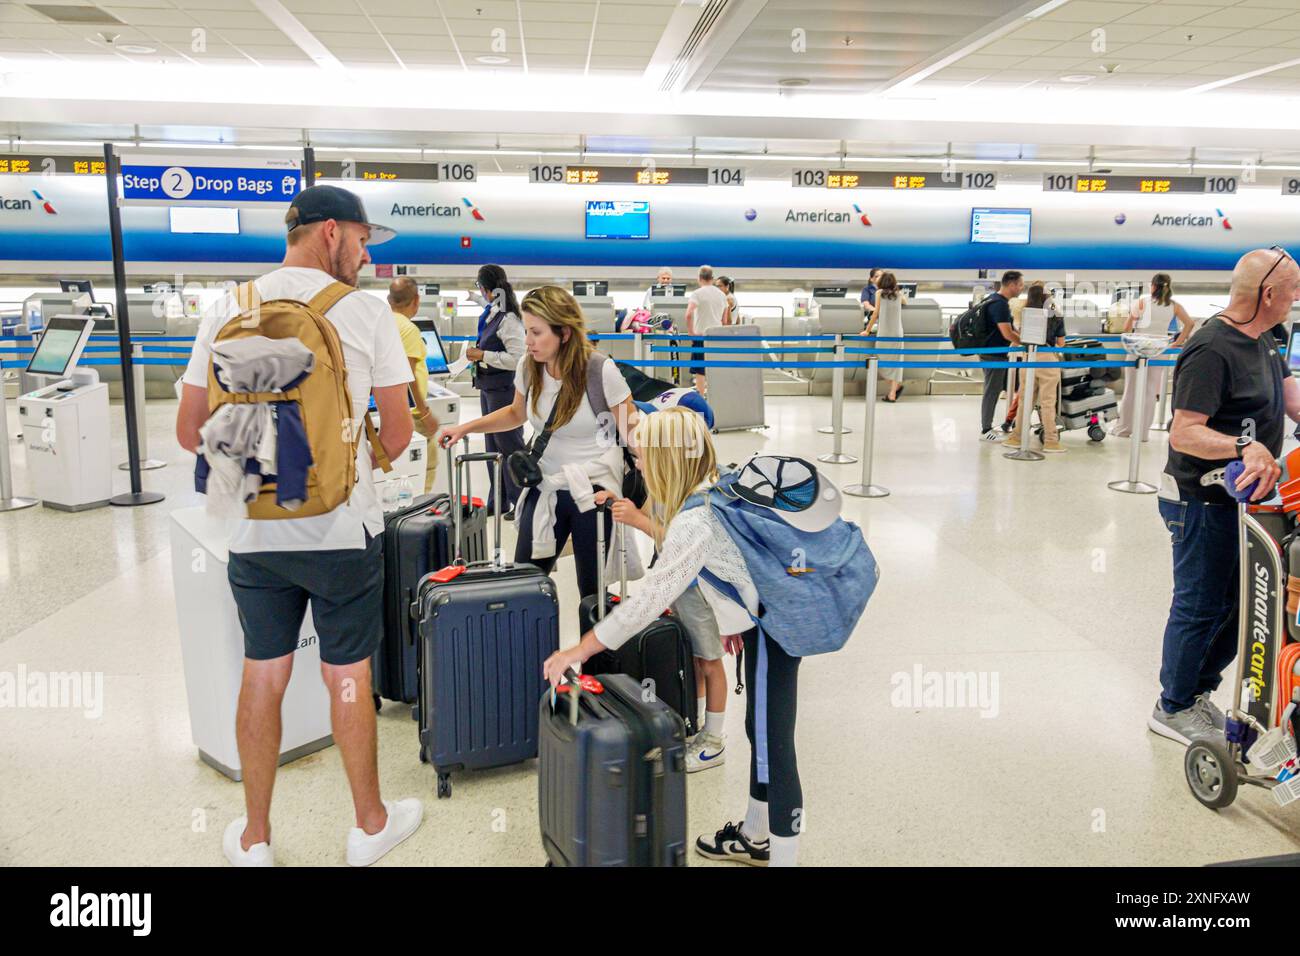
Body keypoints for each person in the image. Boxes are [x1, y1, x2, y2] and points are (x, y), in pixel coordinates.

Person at [174, 184, 423, 867]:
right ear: (333, 233)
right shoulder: (365, 314)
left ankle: (254, 837)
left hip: (254, 530)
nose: (368, 255)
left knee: (263, 672)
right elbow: (399, 433)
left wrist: (261, 468)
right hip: (342, 532)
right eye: (364, 239)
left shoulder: (230, 305)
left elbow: (188, 428)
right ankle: (368, 826)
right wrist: (348, 464)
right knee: (346, 673)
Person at [543, 408, 825, 867]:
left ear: (666, 460)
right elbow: (733, 567)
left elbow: (646, 601)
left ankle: (784, 858)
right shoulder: (714, 488)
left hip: (776, 629)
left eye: (642, 457)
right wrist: (736, 625)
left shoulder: (694, 521)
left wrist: (579, 649)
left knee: (773, 743)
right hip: (765, 622)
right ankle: (756, 836)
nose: (638, 466)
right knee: (761, 731)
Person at [1150, 247, 1300, 746]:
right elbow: (1183, 432)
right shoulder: (1212, 347)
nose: (1296, 300)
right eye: (1293, 291)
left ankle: (1196, 693)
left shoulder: (1265, 339)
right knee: (1200, 604)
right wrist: (1244, 445)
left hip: (1247, 504)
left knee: (1244, 608)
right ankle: (1171, 706)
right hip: (1200, 500)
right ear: (1269, 294)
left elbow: (1291, 397)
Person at [439, 285, 637, 601]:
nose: (527, 341)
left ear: (565, 333)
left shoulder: (600, 370)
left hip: (594, 491)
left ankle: (595, 651)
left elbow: (633, 432)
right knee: (525, 586)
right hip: (545, 484)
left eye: (536, 332)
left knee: (593, 595)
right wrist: (466, 427)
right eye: (527, 331)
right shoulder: (529, 366)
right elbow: (517, 413)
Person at [606, 390, 728, 773]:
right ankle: (693, 723)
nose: (637, 464)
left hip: (701, 594)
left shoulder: (699, 504)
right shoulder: (667, 486)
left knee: (710, 660)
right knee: (692, 657)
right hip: (682, 589)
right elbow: (646, 514)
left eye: (642, 457)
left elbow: (670, 537)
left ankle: (714, 739)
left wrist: (638, 521)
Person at [467, 264, 527, 520]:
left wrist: (483, 354)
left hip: (503, 389)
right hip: (488, 387)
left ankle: (522, 500)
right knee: (493, 446)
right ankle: (500, 499)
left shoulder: (509, 318)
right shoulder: (493, 311)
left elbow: (517, 358)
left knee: (510, 446)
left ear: (486, 288)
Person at [1114, 273, 1192, 442]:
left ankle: (1124, 429)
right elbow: (1189, 324)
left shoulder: (1142, 302)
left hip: (1137, 349)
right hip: (1159, 350)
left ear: (1153, 286)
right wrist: (1176, 343)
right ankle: (1143, 433)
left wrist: (1132, 336)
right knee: (1150, 392)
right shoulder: (1174, 306)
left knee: (1131, 390)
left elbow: (1127, 327)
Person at [386, 277, 440, 493]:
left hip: (390, 408)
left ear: (389, 299)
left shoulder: (385, 323)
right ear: (416, 300)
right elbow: (408, 374)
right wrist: (425, 413)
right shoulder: (409, 329)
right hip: (412, 414)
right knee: (426, 469)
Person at [1002, 284, 1066, 453]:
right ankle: (1051, 442)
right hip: (1048, 361)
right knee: (1047, 403)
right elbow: (1061, 343)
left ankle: (1016, 438)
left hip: (1028, 359)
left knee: (1024, 401)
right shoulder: (1055, 314)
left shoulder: (1024, 314)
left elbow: (1021, 336)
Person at [980, 271, 1025, 441]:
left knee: (1001, 387)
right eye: (1020, 285)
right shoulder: (999, 304)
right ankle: (985, 430)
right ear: (1012, 284)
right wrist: (1025, 343)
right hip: (993, 354)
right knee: (992, 390)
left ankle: (1006, 422)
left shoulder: (996, 300)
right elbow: (1007, 334)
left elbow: (1011, 330)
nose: (1021, 288)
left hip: (994, 353)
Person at [861, 271, 907, 402]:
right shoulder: (898, 294)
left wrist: (867, 331)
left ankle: (893, 392)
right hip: (898, 333)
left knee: (880, 362)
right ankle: (894, 391)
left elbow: (875, 314)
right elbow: (905, 302)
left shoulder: (879, 293)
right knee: (896, 364)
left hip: (884, 333)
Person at [685, 265, 727, 395]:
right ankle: (717, 397)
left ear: (699, 278)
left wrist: (691, 333)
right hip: (717, 337)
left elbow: (688, 314)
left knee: (700, 371)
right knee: (715, 368)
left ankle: (701, 398)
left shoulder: (697, 294)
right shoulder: (721, 295)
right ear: (712, 278)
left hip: (701, 336)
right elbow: (725, 321)